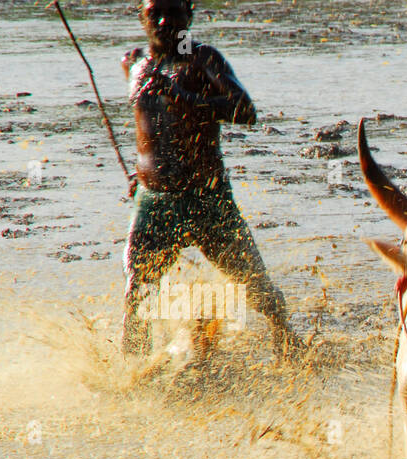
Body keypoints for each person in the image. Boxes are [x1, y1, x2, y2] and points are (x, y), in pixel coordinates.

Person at [120, 0, 301, 358]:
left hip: (205, 198)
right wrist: (140, 169)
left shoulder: (200, 57)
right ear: (140, 16)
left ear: (190, 15)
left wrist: (185, 97)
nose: (163, 21)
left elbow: (245, 110)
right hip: (154, 199)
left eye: (174, 13)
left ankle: (289, 343)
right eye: (155, 12)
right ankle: (133, 374)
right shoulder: (134, 62)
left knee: (253, 282)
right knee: (137, 291)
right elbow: (149, 126)